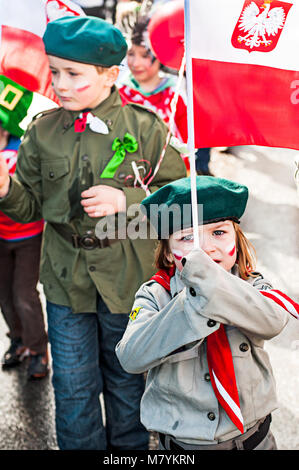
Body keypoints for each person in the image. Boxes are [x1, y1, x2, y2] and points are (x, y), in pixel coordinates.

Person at [0, 16, 186, 450]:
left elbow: (181, 206)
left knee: (128, 388)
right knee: (74, 390)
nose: (60, 84)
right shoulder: (43, 131)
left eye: (74, 74)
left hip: (127, 281)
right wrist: (7, 189)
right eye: (55, 71)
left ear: (110, 74)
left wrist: (129, 202)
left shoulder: (146, 129)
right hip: (67, 281)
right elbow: (29, 207)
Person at [116, 175, 299, 450]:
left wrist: (216, 288)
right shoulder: (155, 295)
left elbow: (272, 320)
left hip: (256, 441)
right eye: (187, 237)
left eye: (218, 232)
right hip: (185, 447)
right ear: (167, 254)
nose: (206, 248)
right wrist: (191, 304)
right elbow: (131, 357)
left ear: (236, 241)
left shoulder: (253, 285)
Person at [0, 120, 48, 379]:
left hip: (28, 233)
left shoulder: (22, 146)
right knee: (5, 295)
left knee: (23, 294)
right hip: (1, 237)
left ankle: (39, 348)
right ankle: (18, 340)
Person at [118, 14, 188, 150]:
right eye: (131, 54)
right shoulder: (120, 93)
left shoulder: (174, 93)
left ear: (159, 55)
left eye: (145, 55)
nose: (135, 63)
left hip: (168, 167)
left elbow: (186, 138)